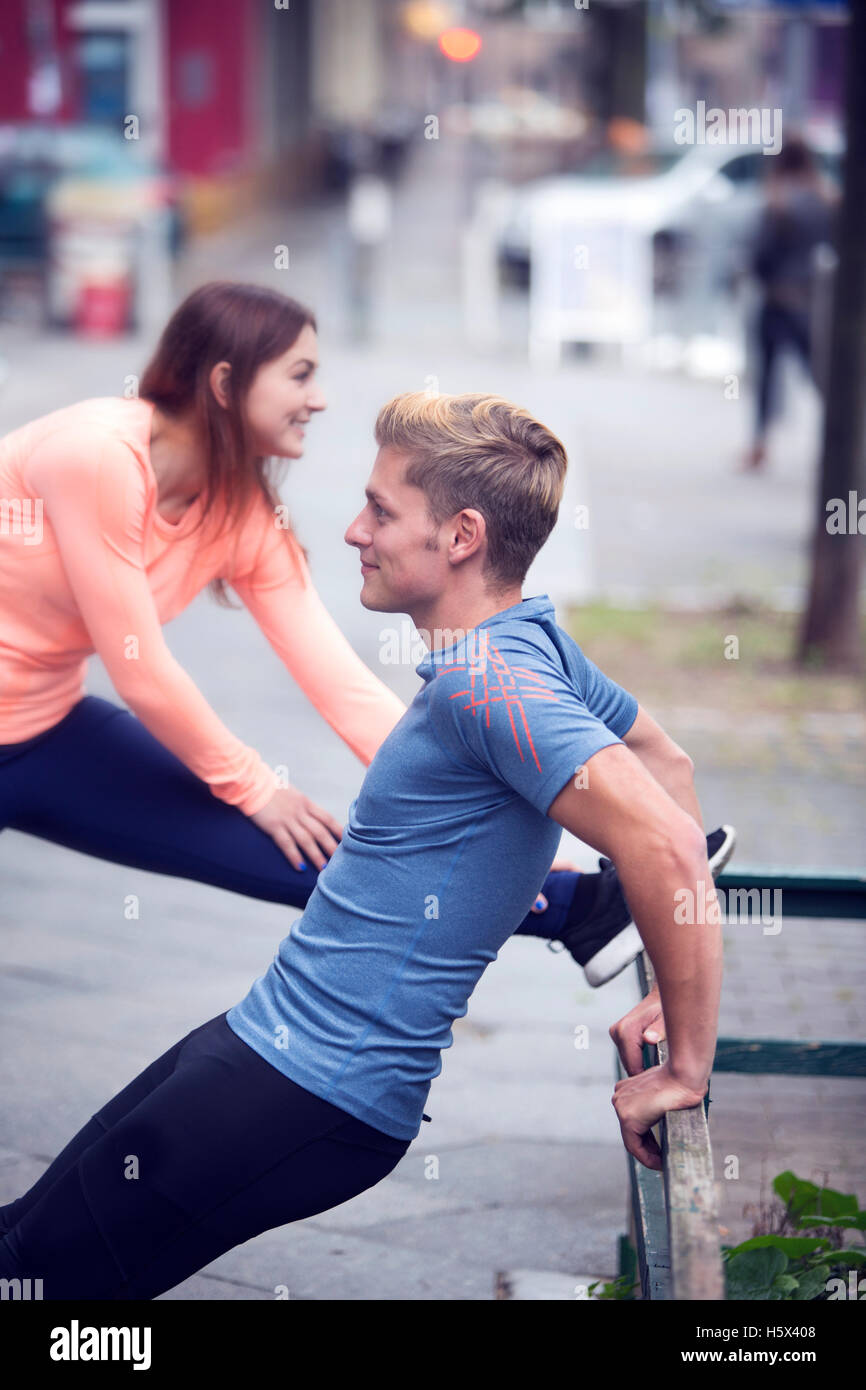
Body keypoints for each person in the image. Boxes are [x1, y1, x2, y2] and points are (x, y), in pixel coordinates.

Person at [0, 390, 728, 1299]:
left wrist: (688, 1059)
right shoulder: (527, 639)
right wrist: (673, 993)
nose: (353, 531)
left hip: (309, 1090)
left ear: (460, 536)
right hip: (263, 1045)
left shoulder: (491, 683)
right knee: (25, 1245)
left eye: (381, 510)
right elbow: (668, 760)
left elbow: (665, 842)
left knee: (41, 1280)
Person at [0, 278, 677, 983]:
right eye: (300, 375)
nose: (319, 398)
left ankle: (579, 906)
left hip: (40, 730)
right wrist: (257, 786)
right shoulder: (97, 454)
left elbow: (342, 686)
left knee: (311, 850)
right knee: (267, 808)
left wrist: (514, 832)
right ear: (226, 382)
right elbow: (139, 668)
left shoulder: (244, 517)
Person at [742, 136, 837, 471]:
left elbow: (759, 255)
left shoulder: (778, 202)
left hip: (777, 299)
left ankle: (759, 446)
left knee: (767, 378)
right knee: (821, 378)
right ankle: (840, 442)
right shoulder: (826, 197)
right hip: (812, 302)